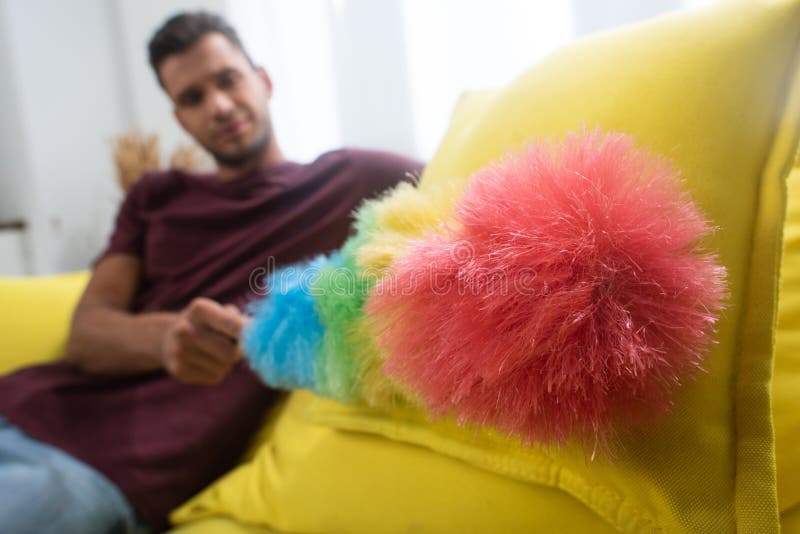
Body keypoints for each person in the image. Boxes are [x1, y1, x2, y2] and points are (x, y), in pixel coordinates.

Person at [0, 11, 423, 534]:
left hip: (92, 470)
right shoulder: (155, 195)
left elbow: (464, 189)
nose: (219, 107)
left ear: (263, 81)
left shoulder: (348, 180)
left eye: (227, 80)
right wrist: (166, 339)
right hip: (20, 403)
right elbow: (88, 333)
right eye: (192, 98)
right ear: (179, 119)